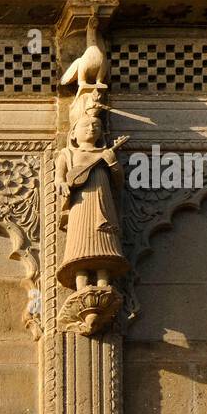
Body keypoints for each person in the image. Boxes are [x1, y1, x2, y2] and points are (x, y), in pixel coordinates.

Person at [56, 93, 129, 292]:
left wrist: (112, 162)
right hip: (80, 203)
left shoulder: (104, 154)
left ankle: (103, 283)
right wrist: (62, 184)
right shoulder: (68, 154)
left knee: (103, 244)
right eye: (86, 126)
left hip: (101, 203)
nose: (91, 128)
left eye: (96, 126)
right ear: (73, 133)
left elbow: (118, 181)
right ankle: (81, 286)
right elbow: (60, 178)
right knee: (80, 244)